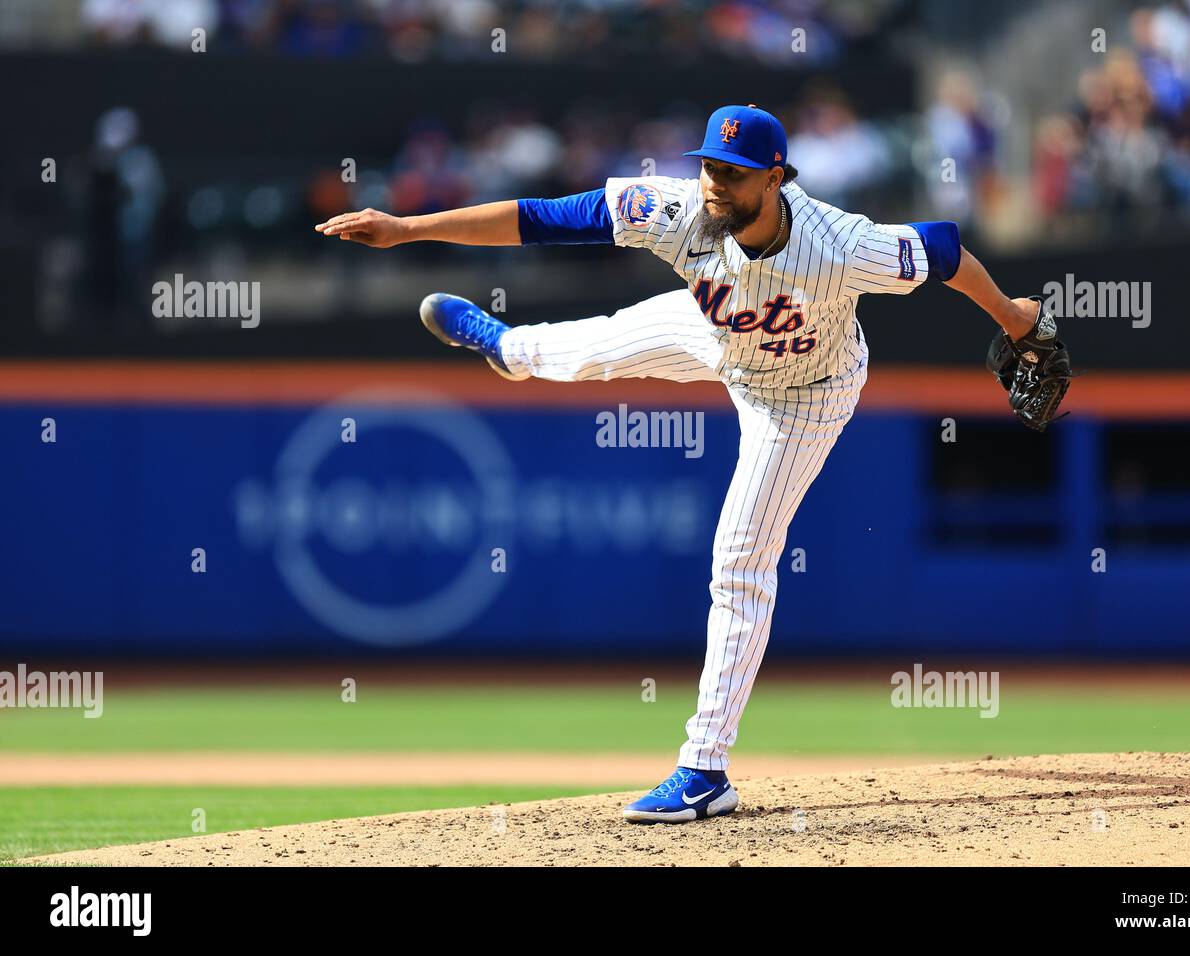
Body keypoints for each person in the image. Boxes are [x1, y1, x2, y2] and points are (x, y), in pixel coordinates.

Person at [316, 104, 1057, 823]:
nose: (715, 183)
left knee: (740, 559)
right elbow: (541, 218)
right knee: (597, 346)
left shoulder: (840, 244)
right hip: (719, 334)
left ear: (776, 177)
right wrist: (409, 228)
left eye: (734, 173)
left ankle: (704, 769)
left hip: (805, 393)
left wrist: (1016, 318)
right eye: (709, 166)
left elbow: (947, 248)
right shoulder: (675, 210)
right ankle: (508, 351)